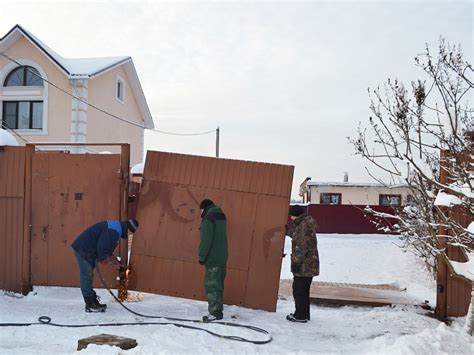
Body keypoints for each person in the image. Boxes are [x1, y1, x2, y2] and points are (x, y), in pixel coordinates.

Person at [71, 218, 139, 312]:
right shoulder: (114, 231)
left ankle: (92, 300)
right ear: (128, 229)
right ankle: (90, 304)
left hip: (85, 249)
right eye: (130, 233)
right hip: (84, 249)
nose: (129, 235)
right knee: (86, 275)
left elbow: (106, 249)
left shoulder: (117, 228)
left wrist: (115, 262)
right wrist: (109, 261)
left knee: (88, 275)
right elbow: (103, 251)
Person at [286, 205, 319, 323]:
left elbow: (301, 247)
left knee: (299, 290)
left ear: (295, 215)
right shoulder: (304, 223)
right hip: (309, 264)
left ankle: (300, 316)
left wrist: (296, 262)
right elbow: (298, 236)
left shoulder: (303, 226)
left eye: (291, 215)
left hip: (304, 265)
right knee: (304, 291)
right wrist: (287, 232)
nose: (290, 218)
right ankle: (304, 314)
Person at [198, 199, 228, 322]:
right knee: (219, 284)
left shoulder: (208, 218)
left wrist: (201, 256)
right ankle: (217, 310)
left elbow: (206, 240)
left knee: (212, 285)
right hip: (222, 255)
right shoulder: (221, 215)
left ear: (204, 208)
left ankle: (215, 313)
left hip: (213, 257)